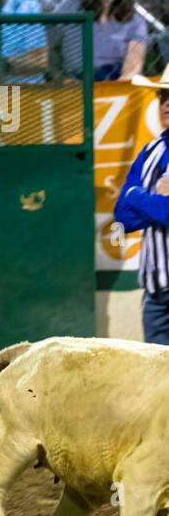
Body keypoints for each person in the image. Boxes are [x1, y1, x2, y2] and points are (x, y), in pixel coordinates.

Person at [112, 67, 169, 342]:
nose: (167, 103)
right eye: (163, 96)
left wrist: (136, 196)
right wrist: (151, 200)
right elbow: (122, 217)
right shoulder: (149, 152)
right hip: (156, 294)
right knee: (157, 383)